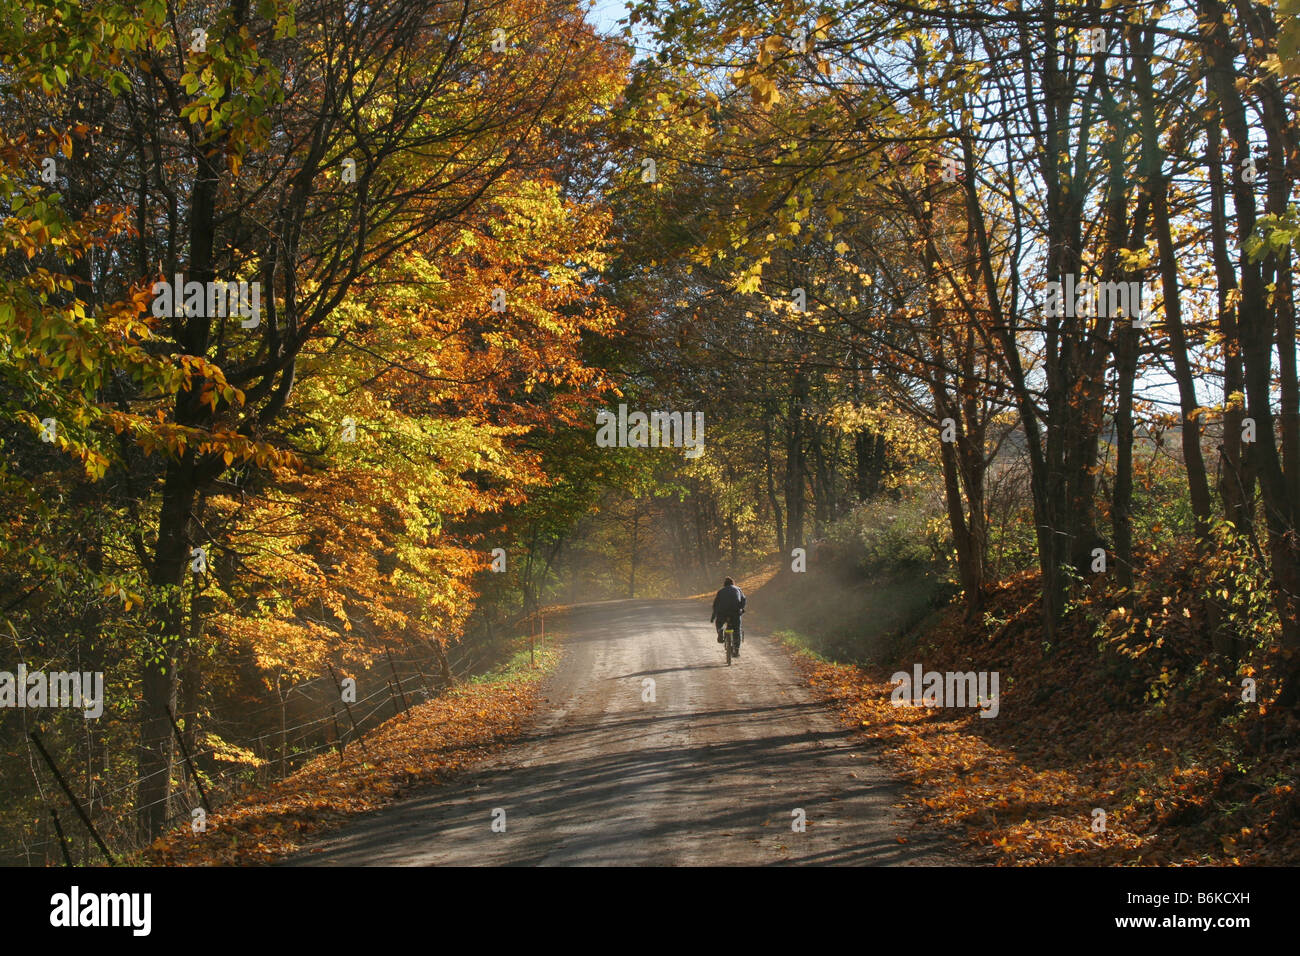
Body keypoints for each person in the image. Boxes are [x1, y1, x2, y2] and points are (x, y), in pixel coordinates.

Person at [710, 576, 746, 655]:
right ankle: (736, 649)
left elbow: (715, 605)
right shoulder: (738, 589)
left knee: (719, 623)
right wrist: (741, 608)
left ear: (724, 585)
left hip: (722, 613)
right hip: (735, 612)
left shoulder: (721, 591)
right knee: (737, 629)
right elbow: (743, 599)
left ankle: (720, 631)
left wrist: (713, 617)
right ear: (733, 583)